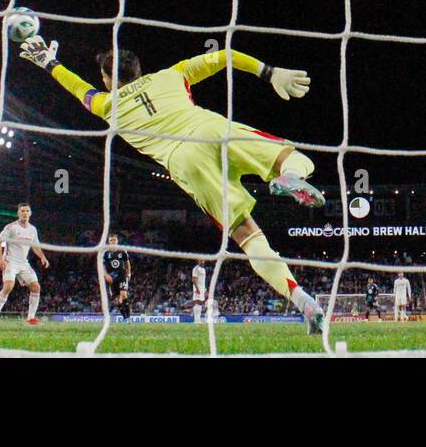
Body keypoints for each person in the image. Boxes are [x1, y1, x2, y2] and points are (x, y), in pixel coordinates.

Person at [19, 40, 327, 333]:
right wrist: (269, 72)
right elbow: (225, 56)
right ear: (138, 70)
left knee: (247, 235)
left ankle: (303, 301)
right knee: (292, 157)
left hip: (185, 161)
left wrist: (49, 61)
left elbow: (76, 87)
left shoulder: (106, 103)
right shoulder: (172, 74)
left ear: (109, 79)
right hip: (209, 128)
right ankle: (289, 176)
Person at [0, 203, 49, 324]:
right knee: (8, 286)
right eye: (22, 211)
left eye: (27, 211)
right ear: (18, 213)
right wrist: (0, 259)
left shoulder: (32, 229)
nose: (24, 213)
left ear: (30, 213)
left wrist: (43, 257)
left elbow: (35, 246)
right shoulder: (11, 227)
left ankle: (31, 318)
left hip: (23, 263)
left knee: (36, 287)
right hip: (10, 262)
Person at [100, 233, 132, 320]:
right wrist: (105, 274)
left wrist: (129, 273)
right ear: (109, 242)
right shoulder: (105, 253)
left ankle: (128, 316)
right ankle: (125, 317)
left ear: (117, 241)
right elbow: (102, 265)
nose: (113, 242)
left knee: (124, 295)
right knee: (117, 300)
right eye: (111, 240)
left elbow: (127, 262)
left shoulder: (122, 251)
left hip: (122, 275)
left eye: (114, 240)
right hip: (112, 277)